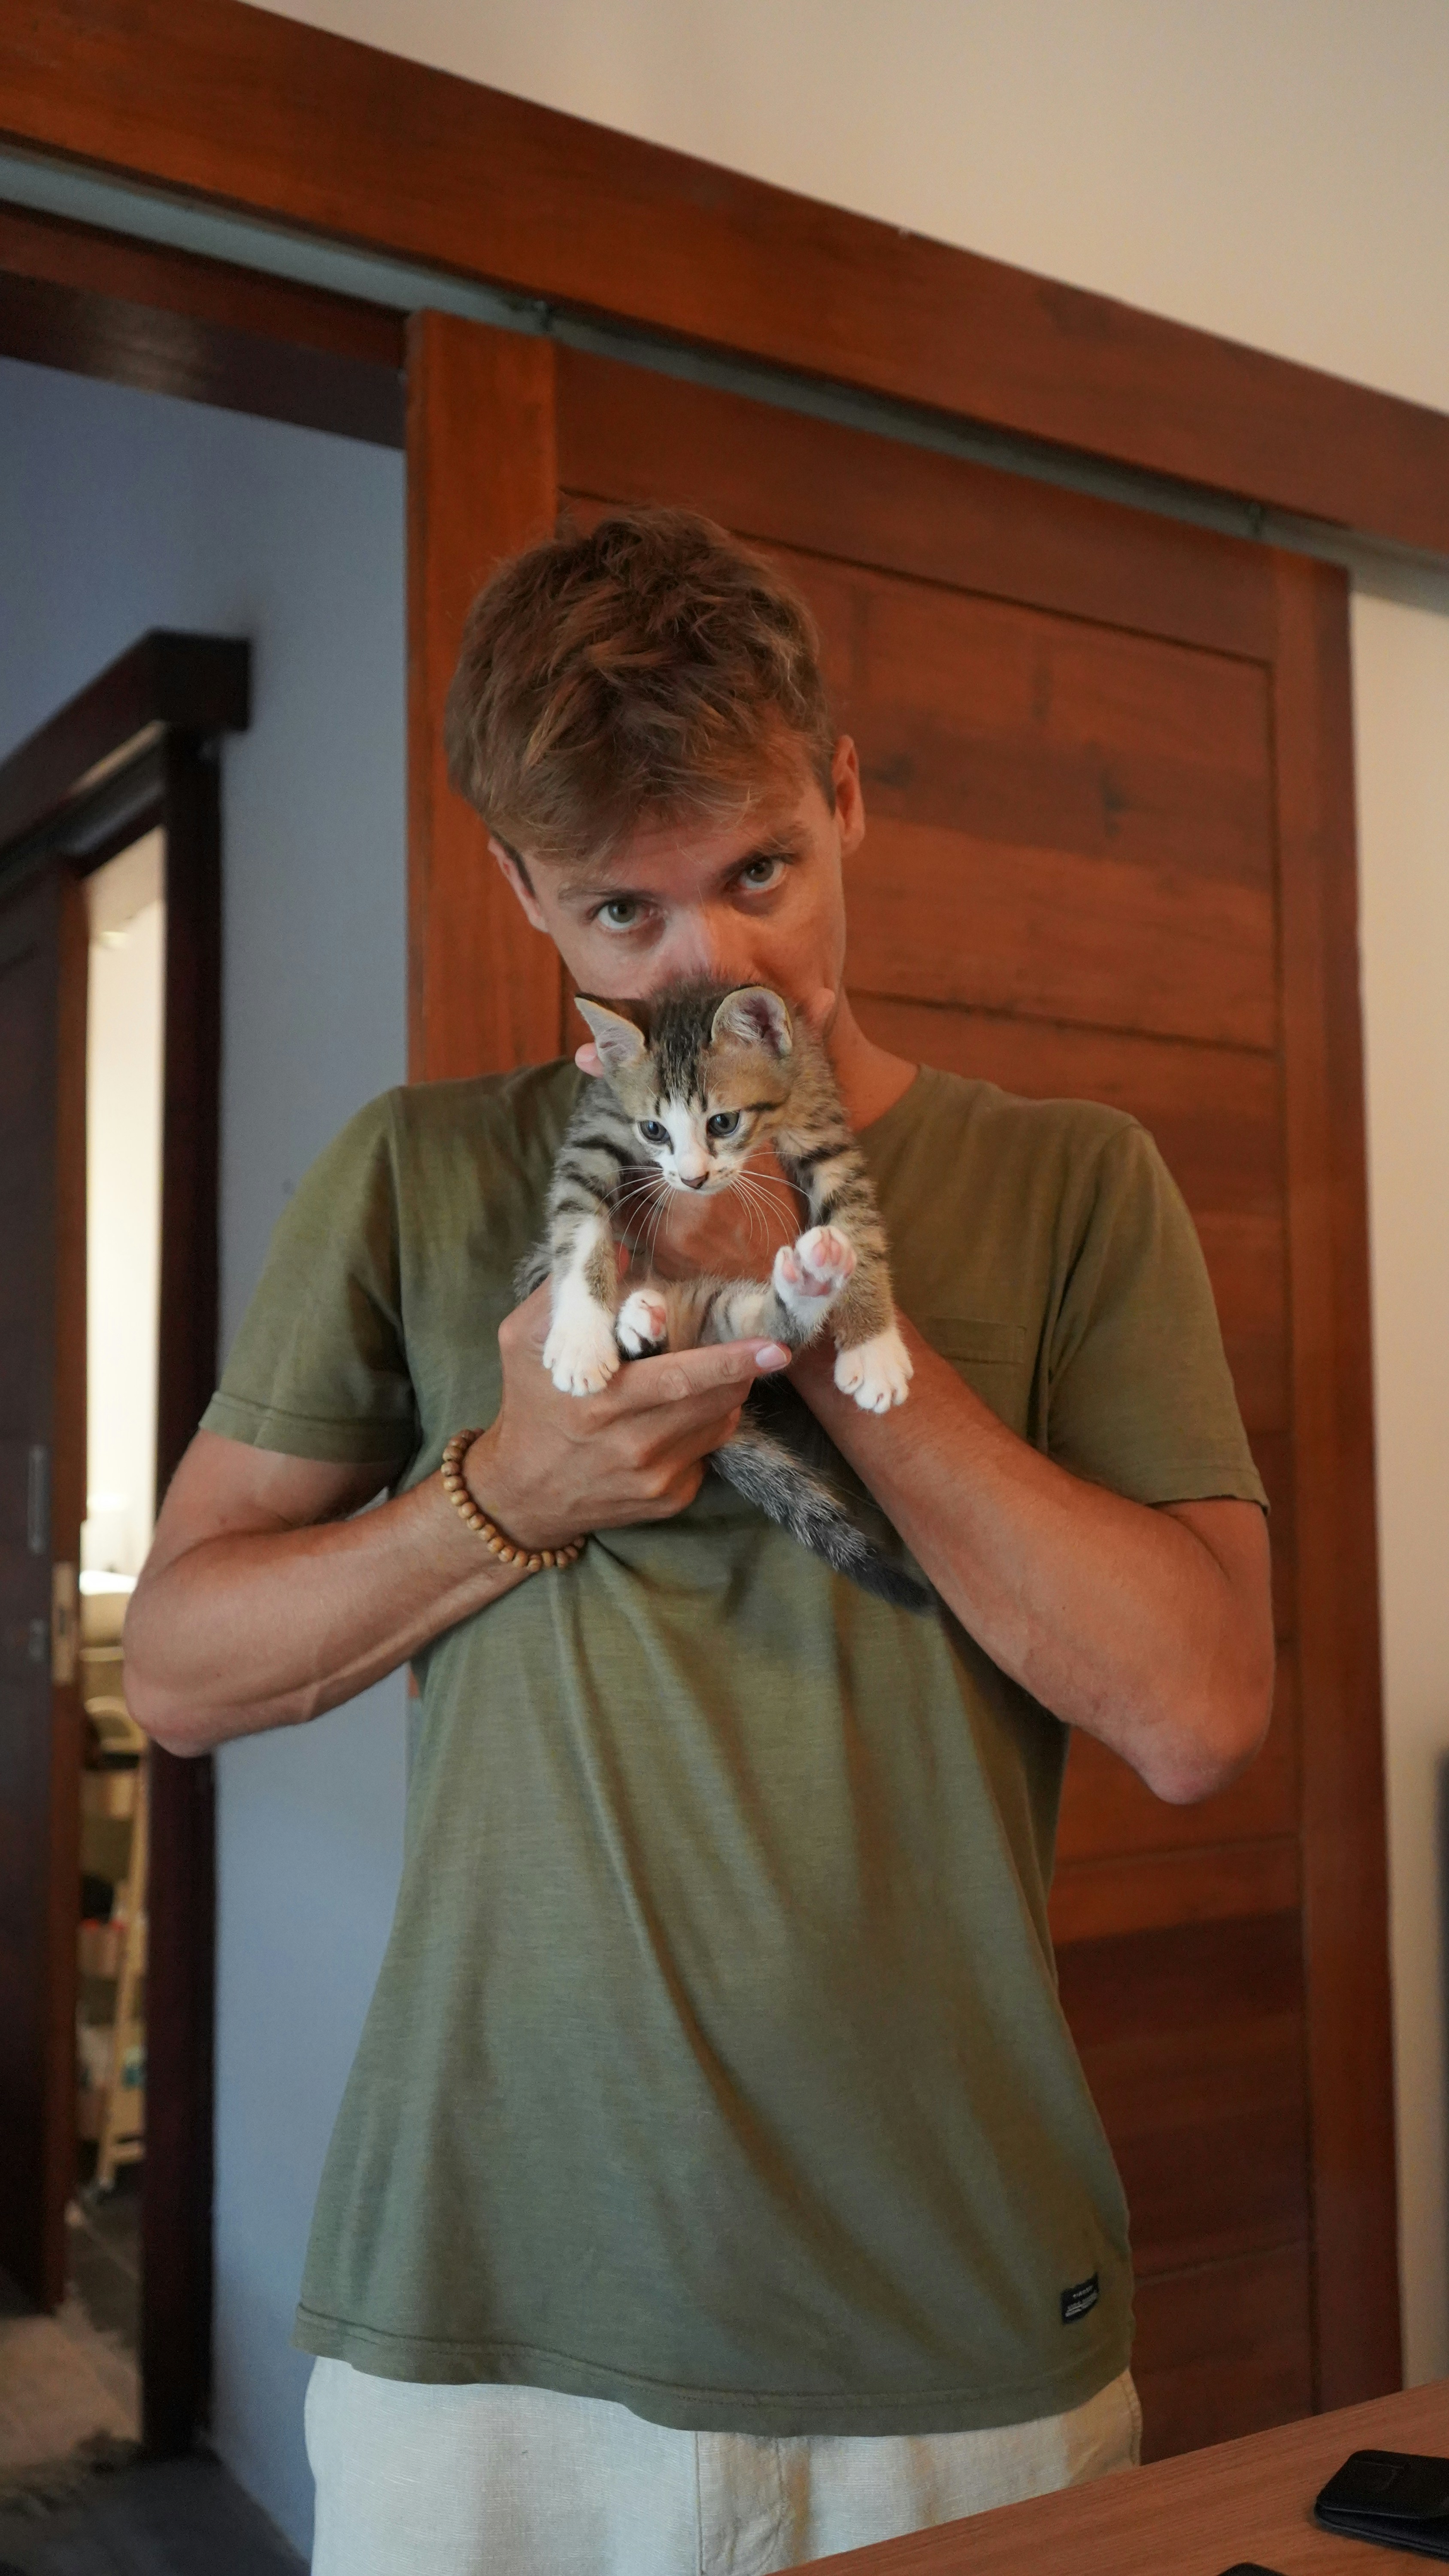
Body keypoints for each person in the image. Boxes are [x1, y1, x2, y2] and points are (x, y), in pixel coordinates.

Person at [125, 506, 1274, 2576]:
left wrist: (825, 1322)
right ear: (522, 894)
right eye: (621, 912)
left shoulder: (1073, 1183)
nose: (711, 972)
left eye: (760, 874)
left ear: (845, 800)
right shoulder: (414, 1174)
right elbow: (183, 1672)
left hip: (947, 2315)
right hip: (487, 2316)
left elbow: (1196, 1713)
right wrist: (510, 1491)